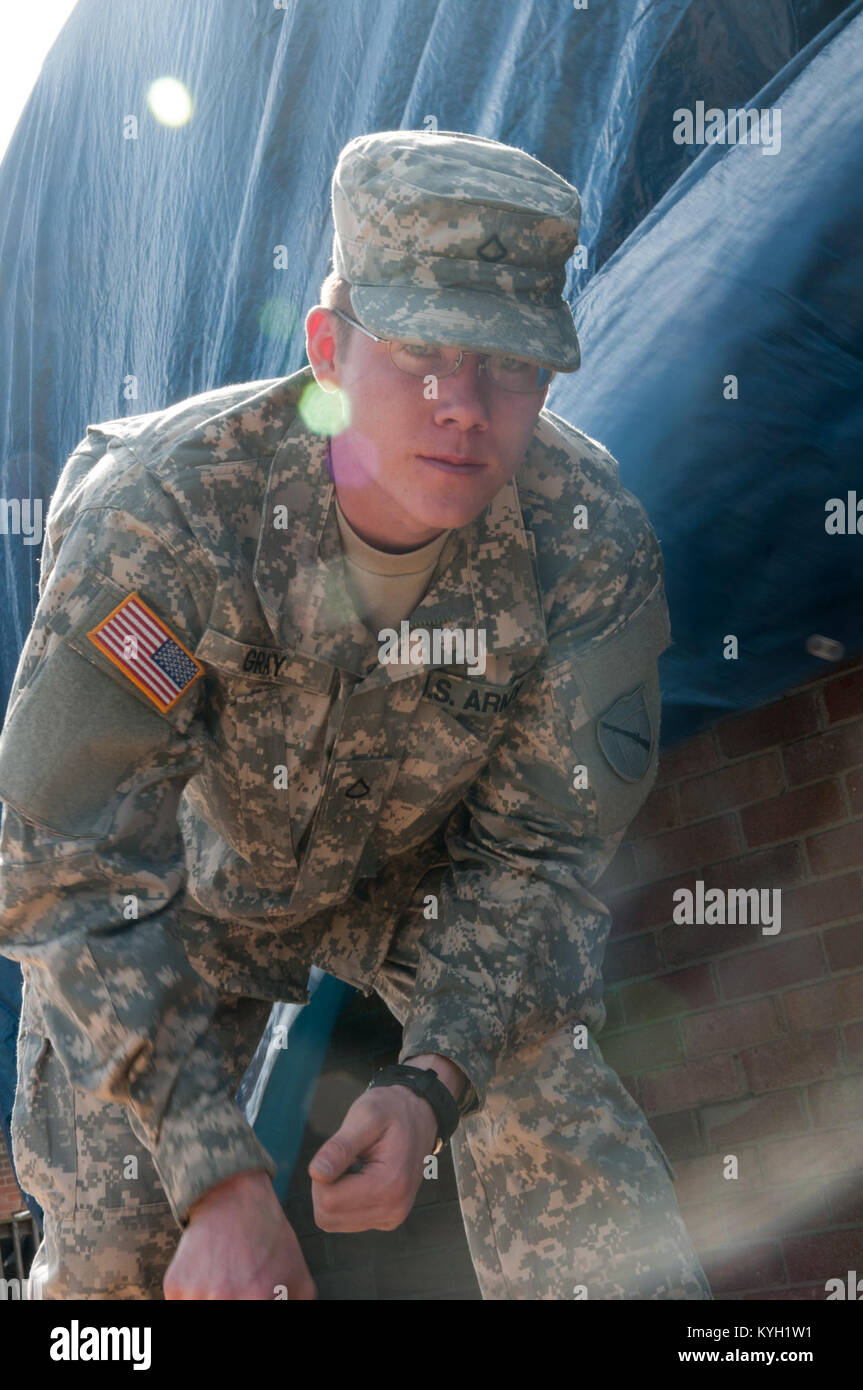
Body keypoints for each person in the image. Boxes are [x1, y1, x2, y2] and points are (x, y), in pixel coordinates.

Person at [0, 129, 712, 1301]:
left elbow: (534, 862)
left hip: (408, 886)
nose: (466, 408)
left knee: (547, 1089)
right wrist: (218, 1183)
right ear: (328, 350)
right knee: (125, 1238)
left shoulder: (583, 545)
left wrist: (428, 1082)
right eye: (423, 352)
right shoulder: (171, 512)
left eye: (513, 366)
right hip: (178, 881)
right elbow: (63, 861)